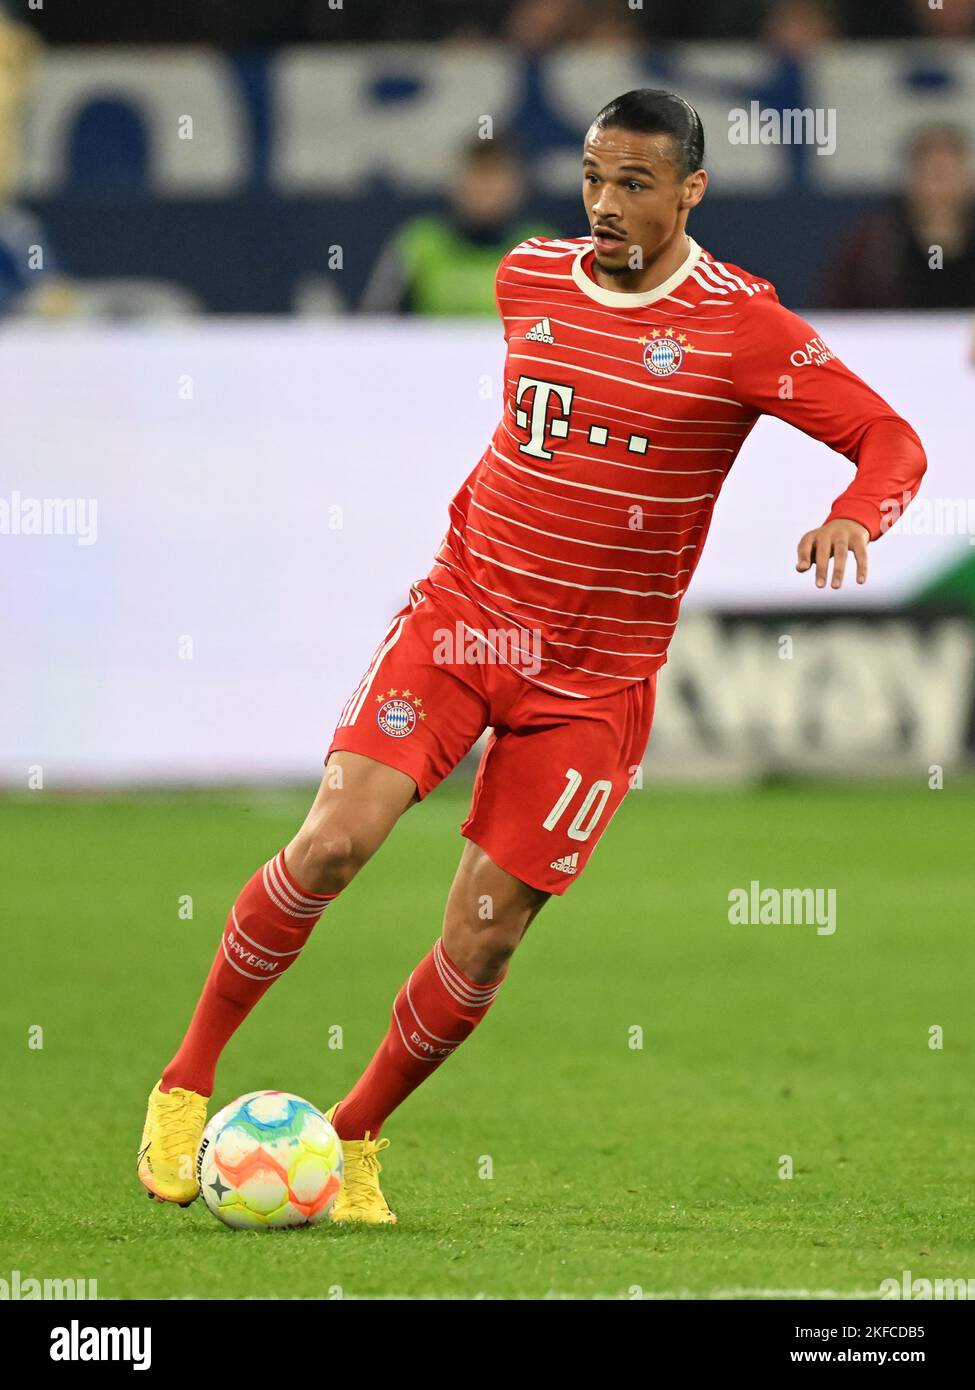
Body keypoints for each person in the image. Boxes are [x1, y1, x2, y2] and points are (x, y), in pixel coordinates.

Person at [139, 89, 926, 1223]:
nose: (604, 206)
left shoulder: (740, 324)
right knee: (330, 845)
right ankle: (184, 1080)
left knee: (487, 934)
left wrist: (860, 510)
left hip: (598, 679)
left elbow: (892, 437)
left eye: (635, 185)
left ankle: (353, 1140)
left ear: (692, 191)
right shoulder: (528, 277)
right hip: (465, 621)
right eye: (595, 180)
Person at [360, 135, 549, 315]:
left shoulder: (539, 249)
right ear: (456, 182)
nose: (485, 188)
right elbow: (377, 326)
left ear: (516, 186)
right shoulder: (418, 243)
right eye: (477, 174)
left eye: (495, 175)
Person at [824, 125, 975, 310]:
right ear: (911, 178)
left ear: (966, 177)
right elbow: (835, 311)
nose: (938, 188)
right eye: (930, 174)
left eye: (946, 174)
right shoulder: (872, 245)